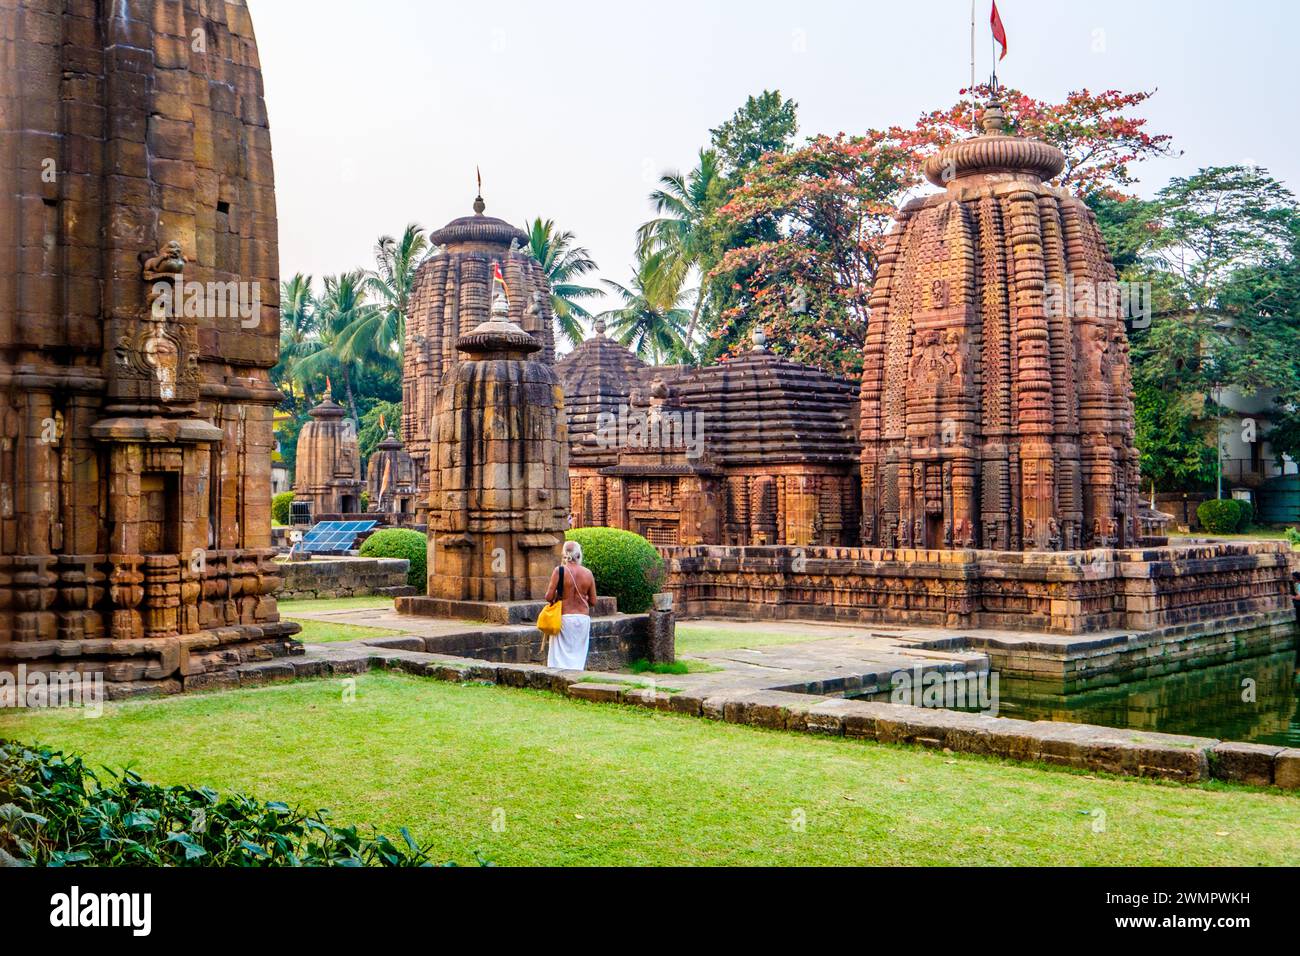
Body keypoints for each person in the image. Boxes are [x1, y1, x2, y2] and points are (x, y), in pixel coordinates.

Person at [544, 540, 597, 669]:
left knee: (559, 658)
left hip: (565, 619)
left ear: (564, 555)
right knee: (578, 654)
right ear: (578, 555)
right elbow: (593, 601)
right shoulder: (588, 573)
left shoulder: (559, 571)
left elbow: (548, 597)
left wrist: (560, 595)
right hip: (583, 619)